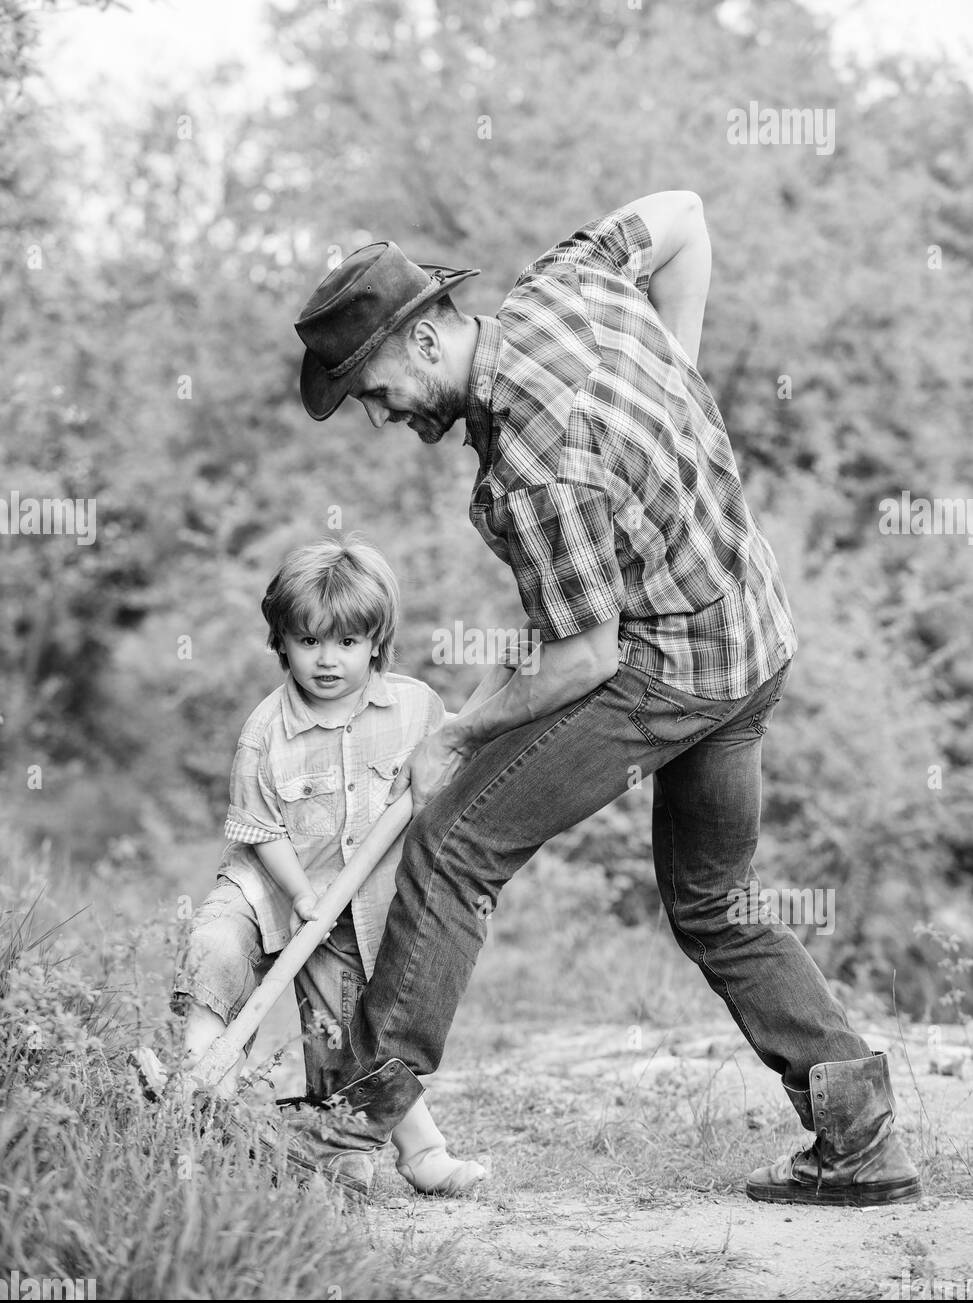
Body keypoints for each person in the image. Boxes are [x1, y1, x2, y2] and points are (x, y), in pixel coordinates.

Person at [289, 191, 920, 1208]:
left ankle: (352, 1120)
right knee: (714, 902)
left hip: (664, 670)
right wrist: (678, 367)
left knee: (455, 843)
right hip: (752, 640)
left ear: (425, 335)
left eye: (371, 388)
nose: (381, 415)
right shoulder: (565, 284)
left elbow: (582, 659)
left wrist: (456, 731)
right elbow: (681, 214)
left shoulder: (534, 465)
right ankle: (860, 1136)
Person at [150, 537, 491, 1197]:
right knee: (212, 949)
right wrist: (304, 894)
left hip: (352, 904)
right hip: (265, 888)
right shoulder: (265, 732)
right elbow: (259, 827)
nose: (327, 660)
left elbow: (453, 760)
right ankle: (193, 1116)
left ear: (376, 641)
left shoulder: (415, 709)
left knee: (350, 1027)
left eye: (346, 642)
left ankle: (419, 1154)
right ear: (281, 642)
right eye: (307, 642)